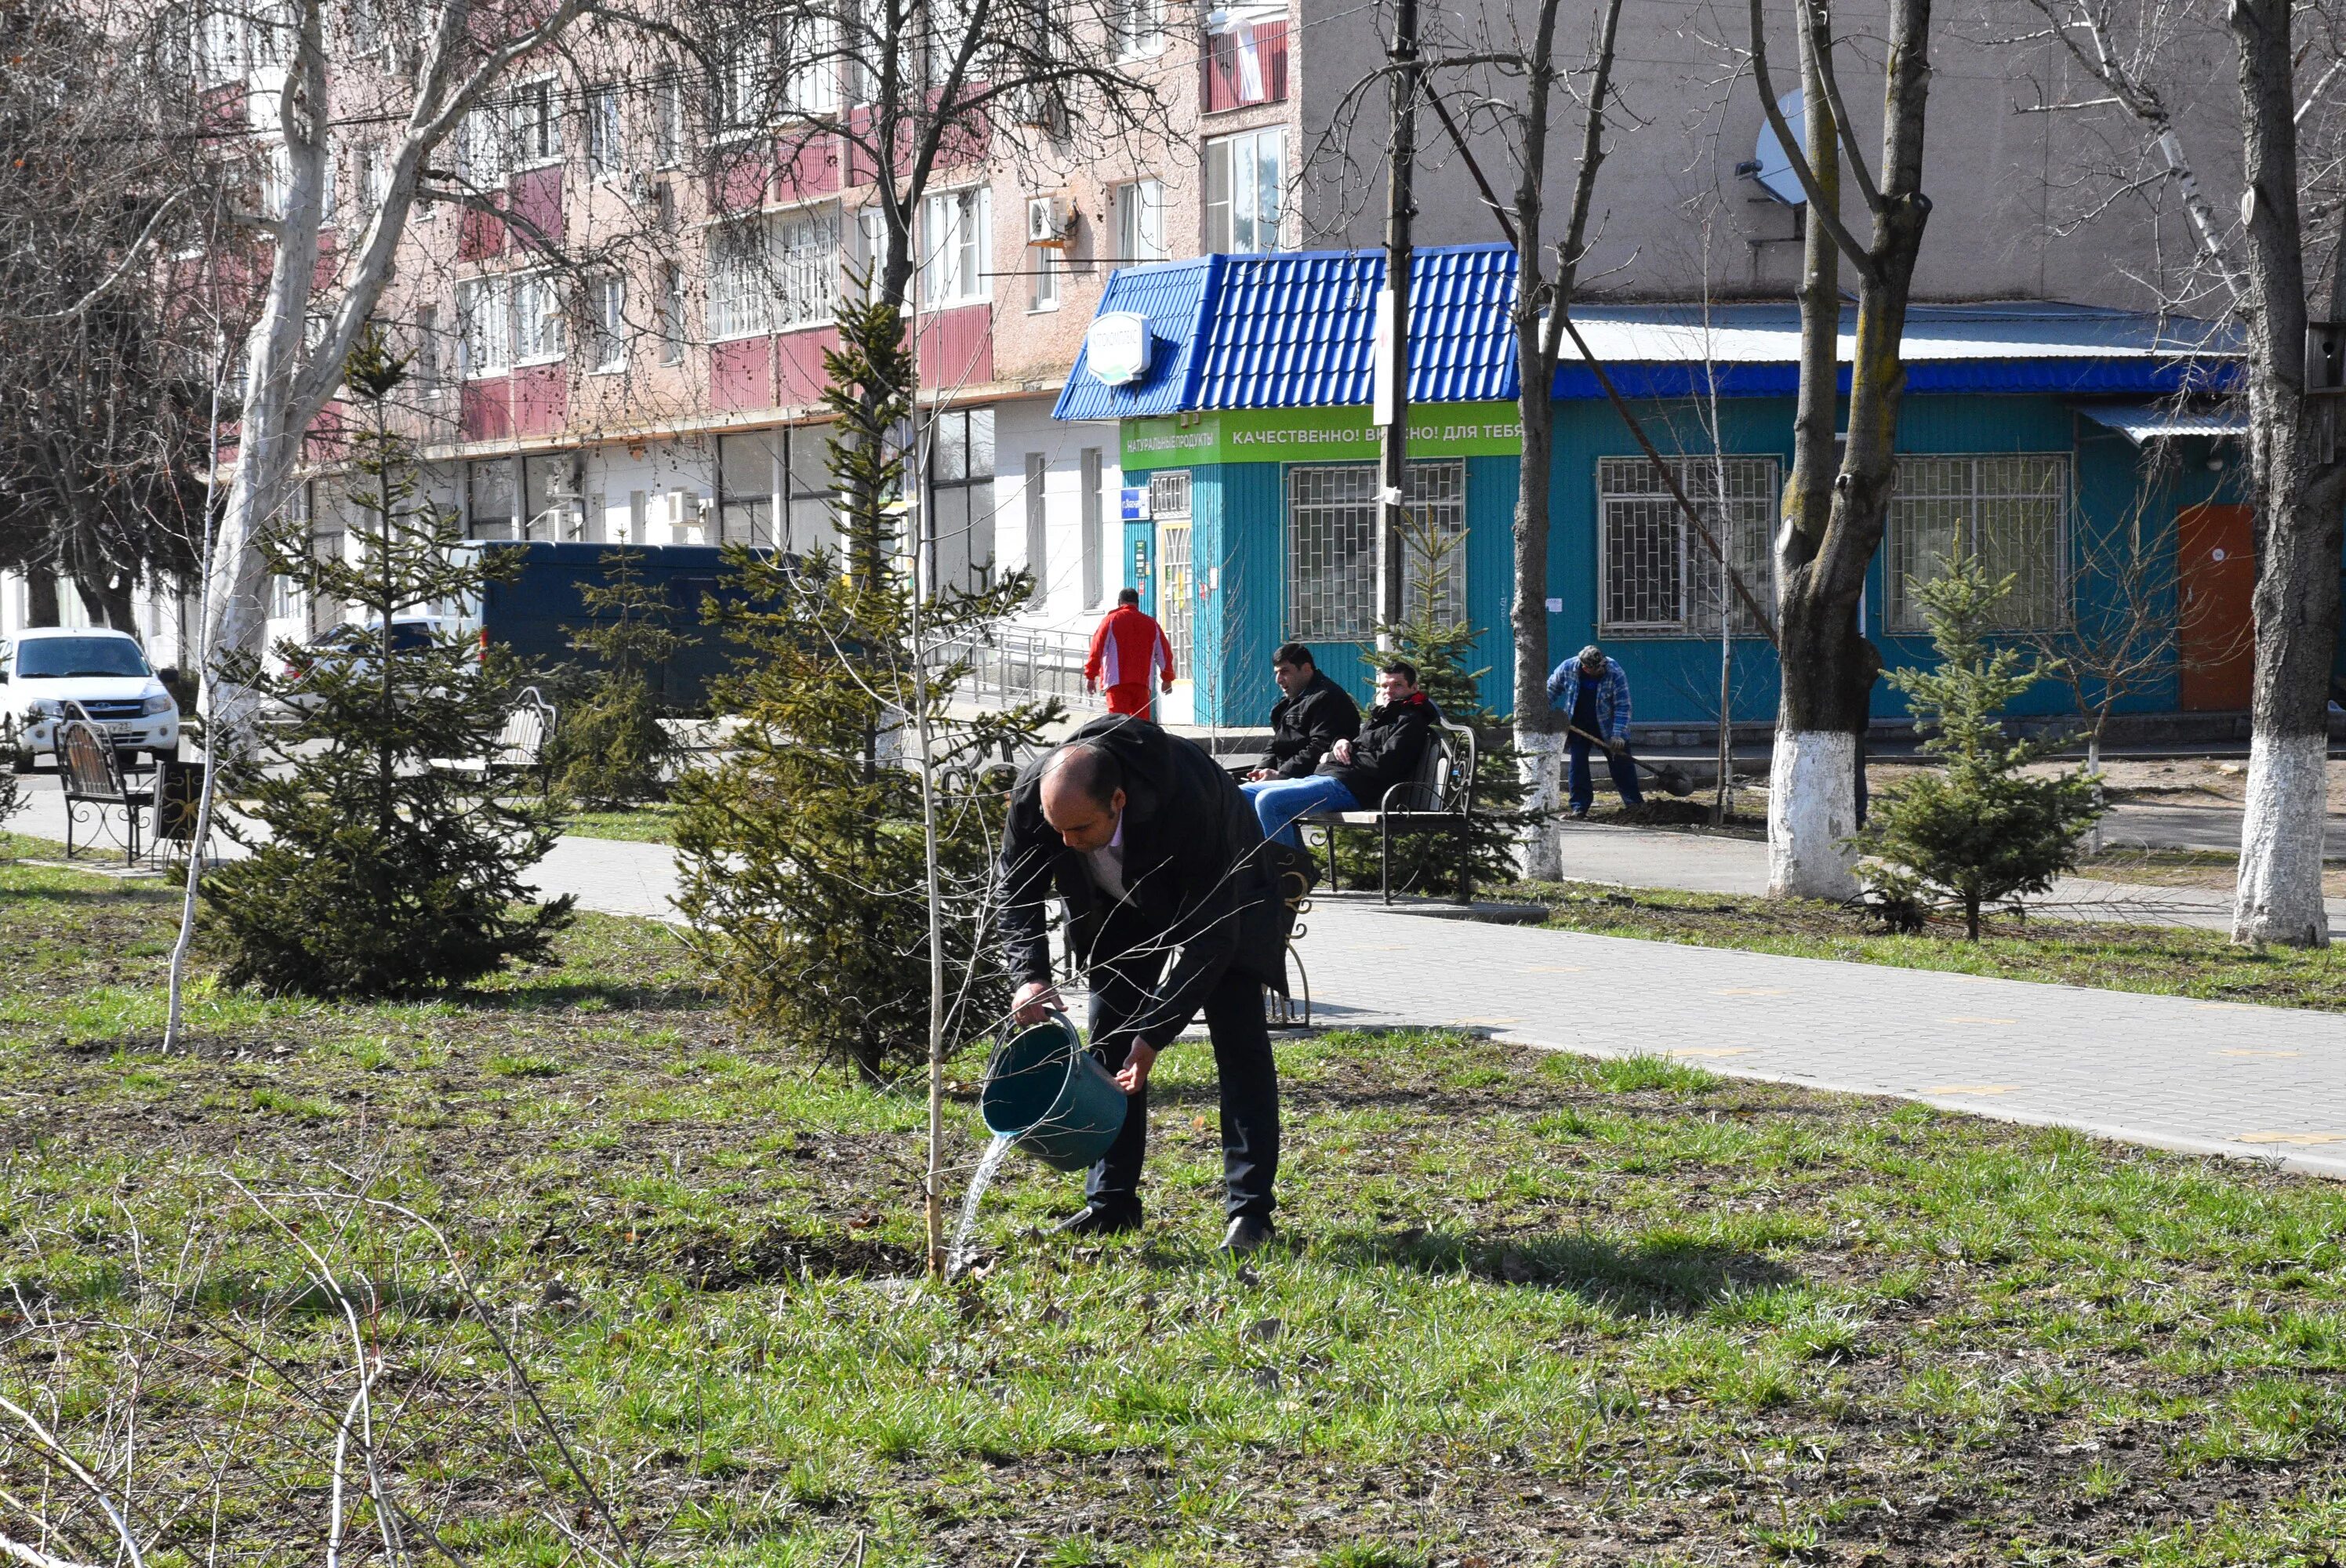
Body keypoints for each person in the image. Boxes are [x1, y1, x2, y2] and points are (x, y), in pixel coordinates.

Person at [999, 715, 1287, 1253]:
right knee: (1108, 1040)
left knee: (1239, 1044)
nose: (1065, 842)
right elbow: (1016, 891)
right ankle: (1111, 1204)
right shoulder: (1041, 797)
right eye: (1056, 827)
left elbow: (1211, 942)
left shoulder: (1190, 798)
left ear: (1119, 801)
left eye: (1079, 830)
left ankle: (1250, 1215)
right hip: (1117, 907)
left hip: (1228, 896)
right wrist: (1029, 975)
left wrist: (1154, 1035)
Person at [1240, 659, 1437, 851]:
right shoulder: (1382, 717)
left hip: (1350, 788)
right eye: (1385, 685)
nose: (1389, 691)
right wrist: (1341, 742)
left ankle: (1286, 875)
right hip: (1326, 778)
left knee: (1270, 801)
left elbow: (1385, 764)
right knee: (1244, 794)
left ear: (1414, 688)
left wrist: (1332, 757)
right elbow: (1359, 745)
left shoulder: (1411, 721)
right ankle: (1292, 869)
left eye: (1398, 685)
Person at [1548, 644, 1643, 819]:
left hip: (1608, 725)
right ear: (1585, 667)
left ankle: (1635, 805)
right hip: (1578, 724)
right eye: (1598, 668)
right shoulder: (1568, 668)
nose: (1602, 669)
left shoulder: (1614, 671)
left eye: (1603, 665)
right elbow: (1551, 689)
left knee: (1621, 763)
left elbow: (1623, 705)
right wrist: (1542, 710)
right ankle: (1579, 807)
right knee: (1578, 765)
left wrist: (1618, 734)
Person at [1246, 643, 1361, 783]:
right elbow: (1277, 741)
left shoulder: (1327, 697)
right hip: (1286, 776)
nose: (1278, 680)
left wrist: (1281, 774)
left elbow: (1319, 747)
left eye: (1285, 672)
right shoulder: (1292, 700)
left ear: (1306, 669)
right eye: (1277, 673)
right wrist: (1263, 767)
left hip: (1312, 779)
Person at [1084, 587, 1175, 720]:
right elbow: (1164, 653)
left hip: (1116, 685)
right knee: (1140, 728)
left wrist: (1091, 676)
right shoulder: (1151, 624)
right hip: (1142, 685)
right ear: (1138, 603)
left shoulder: (1110, 621)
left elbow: (1097, 649)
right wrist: (1167, 678)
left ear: (1119, 602)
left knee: (1118, 726)